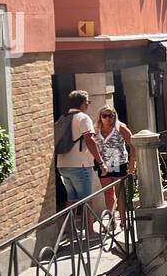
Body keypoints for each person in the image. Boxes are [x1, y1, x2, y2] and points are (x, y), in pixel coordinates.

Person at [55, 89, 104, 217]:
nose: (88, 104)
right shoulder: (83, 118)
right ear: (83, 103)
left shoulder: (63, 118)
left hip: (63, 165)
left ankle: (71, 230)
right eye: (88, 102)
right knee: (87, 201)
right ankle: (91, 233)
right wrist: (100, 162)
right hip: (80, 166)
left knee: (71, 199)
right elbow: (89, 140)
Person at [95, 105, 136, 222]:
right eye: (105, 116)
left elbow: (133, 145)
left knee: (120, 193)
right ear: (100, 117)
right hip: (103, 164)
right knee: (108, 192)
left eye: (110, 115)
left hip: (118, 162)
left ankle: (123, 220)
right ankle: (112, 220)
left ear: (114, 116)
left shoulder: (120, 128)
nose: (108, 118)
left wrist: (132, 163)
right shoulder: (96, 130)